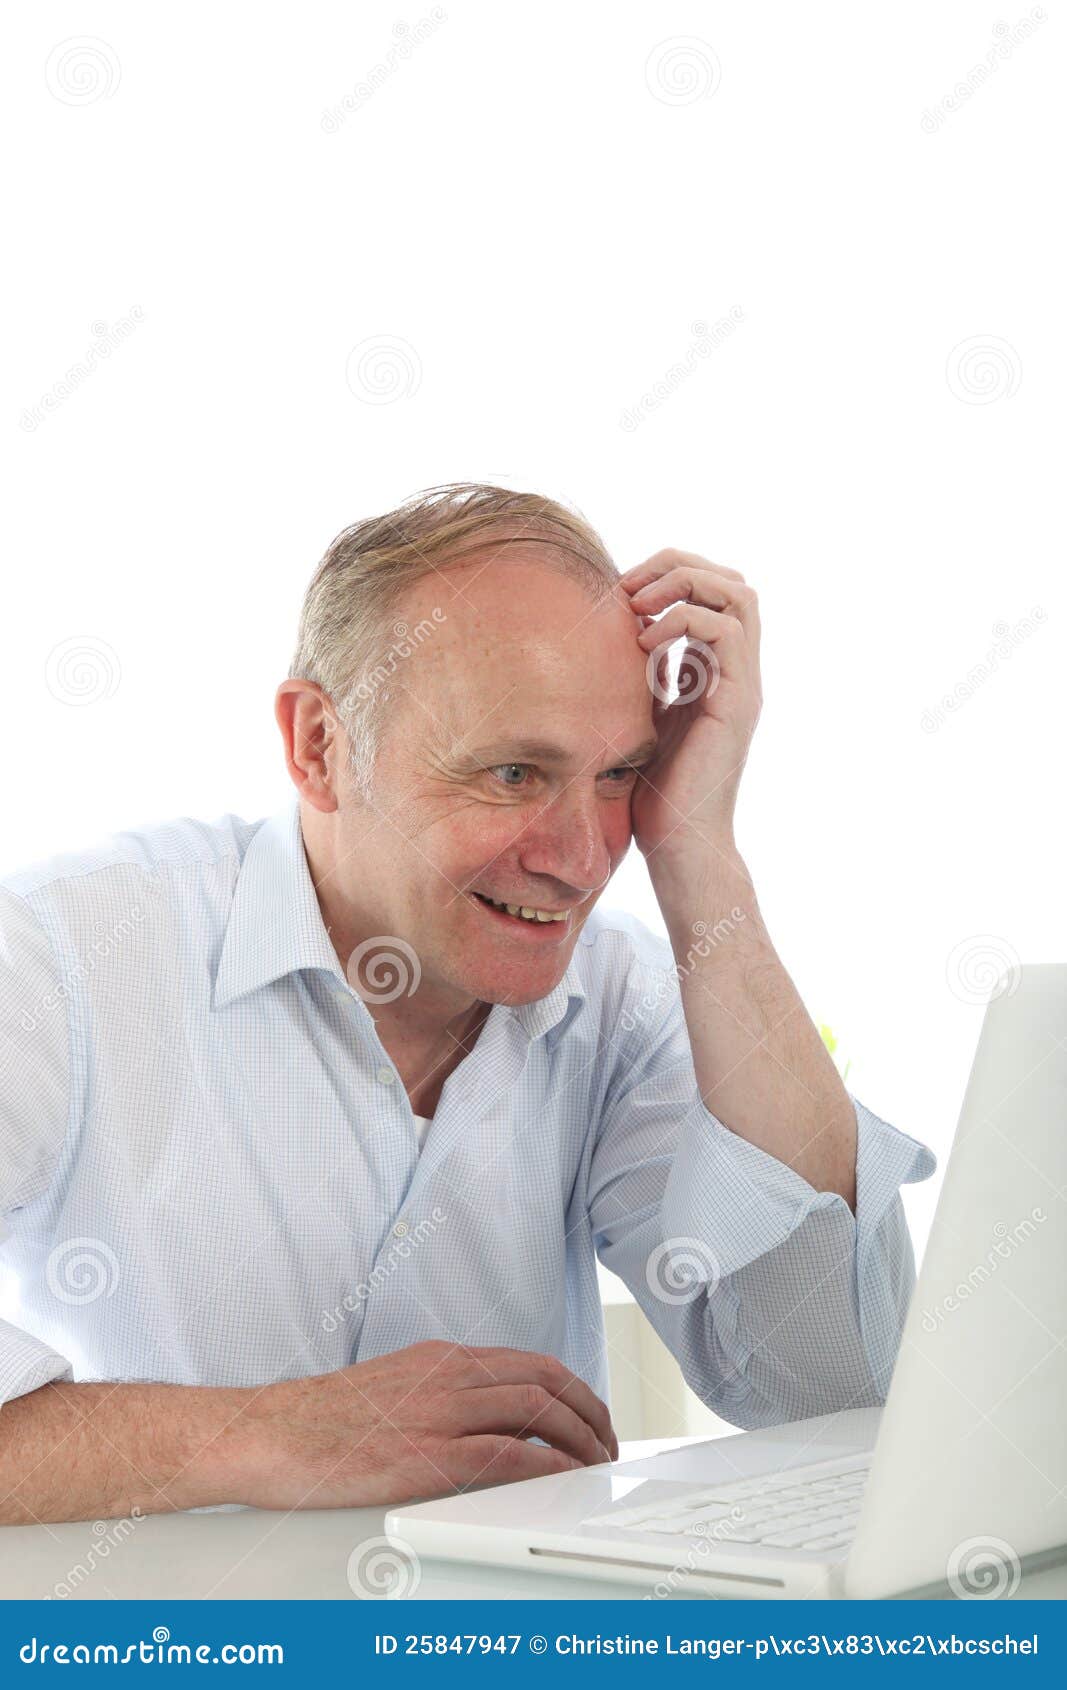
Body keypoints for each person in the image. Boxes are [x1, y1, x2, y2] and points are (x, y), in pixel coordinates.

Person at [0, 483, 933, 1525]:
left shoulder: (619, 993)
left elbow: (835, 1388)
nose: (581, 859)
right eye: (510, 771)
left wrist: (697, 854)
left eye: (619, 773)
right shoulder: (61, 955)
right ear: (319, 745)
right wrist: (266, 1432)